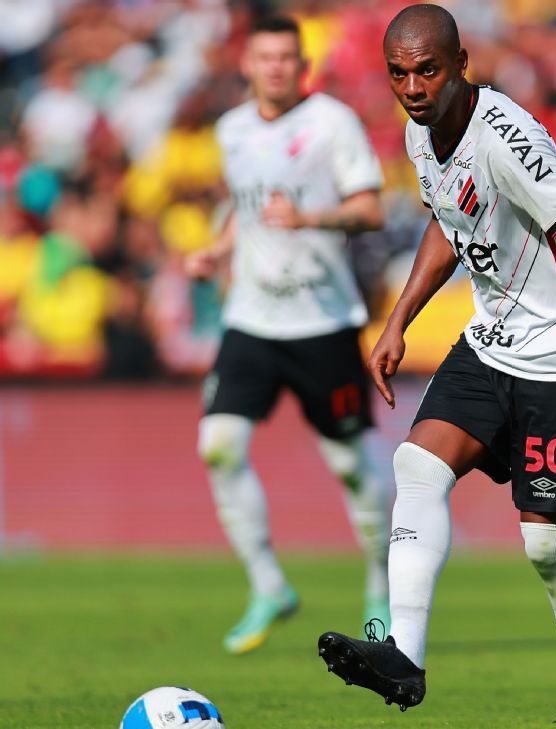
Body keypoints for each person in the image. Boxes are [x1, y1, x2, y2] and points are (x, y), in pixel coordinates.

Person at [316, 6, 556, 728]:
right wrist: (398, 319)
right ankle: (402, 654)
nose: (412, 87)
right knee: (416, 464)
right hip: (492, 341)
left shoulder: (506, 139)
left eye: (427, 71)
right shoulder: (422, 130)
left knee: (548, 547)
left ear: (461, 64)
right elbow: (448, 218)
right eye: (398, 73)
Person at [185, 15, 390, 655]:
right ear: (246, 65)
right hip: (251, 318)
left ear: (302, 65)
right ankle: (269, 586)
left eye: (285, 57)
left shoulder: (332, 122)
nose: (275, 67)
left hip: (322, 321)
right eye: (264, 57)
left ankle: (381, 590)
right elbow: (243, 210)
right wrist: (218, 251)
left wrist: (309, 219)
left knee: (350, 465)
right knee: (219, 446)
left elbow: (370, 209)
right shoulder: (232, 130)